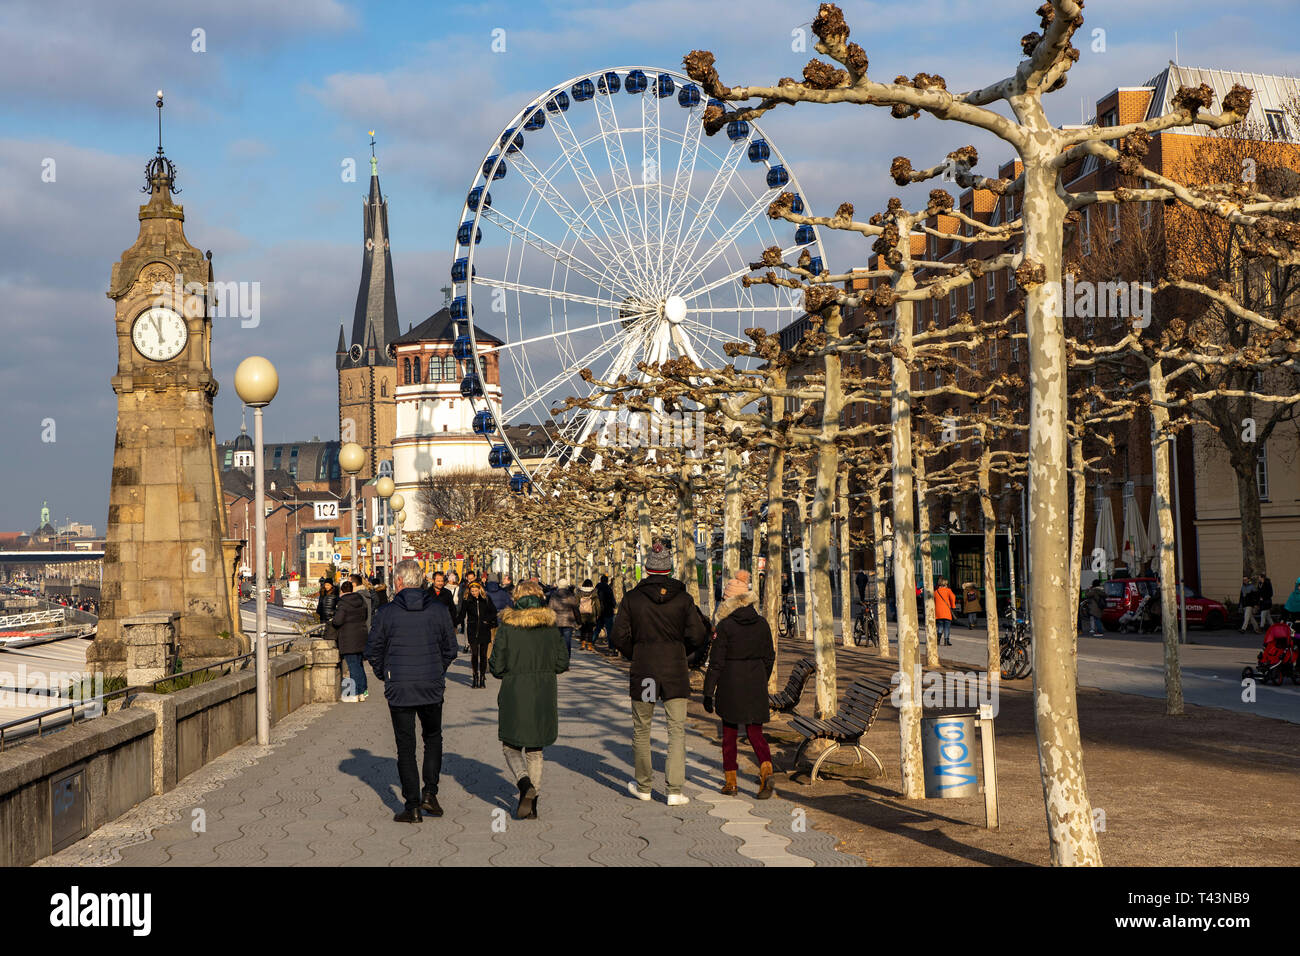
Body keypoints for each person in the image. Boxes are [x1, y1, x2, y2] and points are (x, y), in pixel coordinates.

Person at [610, 539, 707, 806]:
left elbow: (617, 636)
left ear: (647, 569)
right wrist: (681, 651)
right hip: (674, 671)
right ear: (669, 569)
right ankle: (674, 790)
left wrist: (635, 652)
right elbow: (698, 635)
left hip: (646, 672)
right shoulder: (684, 600)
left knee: (642, 729)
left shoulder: (632, 599)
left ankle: (644, 786)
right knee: (676, 730)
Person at [365, 558, 459, 824]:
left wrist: (387, 674)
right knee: (433, 738)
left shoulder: (387, 613)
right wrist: (436, 670)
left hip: (401, 688)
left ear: (398, 582)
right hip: (431, 686)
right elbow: (450, 649)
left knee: (406, 747)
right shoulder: (439, 610)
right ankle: (430, 791)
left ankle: (413, 805)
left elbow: (373, 650)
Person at [489, 579, 569, 819]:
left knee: (510, 745)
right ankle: (533, 806)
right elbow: (562, 662)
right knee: (535, 749)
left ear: (516, 599)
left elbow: (496, 666)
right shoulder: (550, 627)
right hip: (543, 691)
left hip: (515, 691)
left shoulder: (507, 627)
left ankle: (525, 784)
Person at [704, 571, 776, 798]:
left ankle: (731, 782)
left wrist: (708, 692)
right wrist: (761, 677)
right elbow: (769, 656)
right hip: (755, 681)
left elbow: (716, 662)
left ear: (729, 601)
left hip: (730, 682)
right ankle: (766, 770)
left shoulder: (725, 626)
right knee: (756, 732)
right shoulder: (762, 624)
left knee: (729, 734)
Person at [332, 580, 370, 702]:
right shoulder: (361, 601)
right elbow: (365, 616)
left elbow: (338, 621)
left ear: (342, 591)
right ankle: (363, 692)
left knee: (353, 666)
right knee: (359, 665)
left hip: (349, 638)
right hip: (361, 636)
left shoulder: (343, 603)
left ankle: (354, 693)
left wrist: (333, 619)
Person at [457, 578, 498, 688]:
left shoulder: (486, 599)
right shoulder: (467, 600)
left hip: (484, 629)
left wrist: (487, 620)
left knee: (483, 655)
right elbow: (462, 614)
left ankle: (482, 677)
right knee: (474, 654)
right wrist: (454, 624)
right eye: (472, 591)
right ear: (469, 591)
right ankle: (475, 676)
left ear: (480, 590)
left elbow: (493, 612)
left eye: (476, 590)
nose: (474, 593)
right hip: (472, 629)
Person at [548, 578, 580, 653]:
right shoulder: (571, 596)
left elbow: (550, 609)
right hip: (568, 622)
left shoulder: (554, 596)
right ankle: (566, 658)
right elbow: (575, 609)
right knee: (567, 642)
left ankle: (558, 657)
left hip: (556, 621)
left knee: (557, 641)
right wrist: (579, 621)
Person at [575, 578, 601, 651]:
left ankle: (583, 644)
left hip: (582, 614)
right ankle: (589, 646)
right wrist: (598, 613)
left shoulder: (579, 593)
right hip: (591, 614)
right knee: (590, 630)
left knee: (583, 630)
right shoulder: (594, 593)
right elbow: (598, 605)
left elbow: (576, 604)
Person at [594, 574, 616, 649]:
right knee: (609, 630)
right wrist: (614, 605)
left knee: (597, 628)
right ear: (607, 581)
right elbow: (612, 601)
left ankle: (592, 642)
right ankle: (611, 646)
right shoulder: (608, 588)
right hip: (608, 611)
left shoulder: (597, 588)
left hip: (599, 612)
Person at [934, 578, 957, 646]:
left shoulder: (936, 591)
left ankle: (938, 641)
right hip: (946, 611)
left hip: (938, 612)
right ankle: (946, 641)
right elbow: (953, 598)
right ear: (946, 584)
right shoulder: (948, 591)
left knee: (940, 626)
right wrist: (953, 606)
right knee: (947, 627)